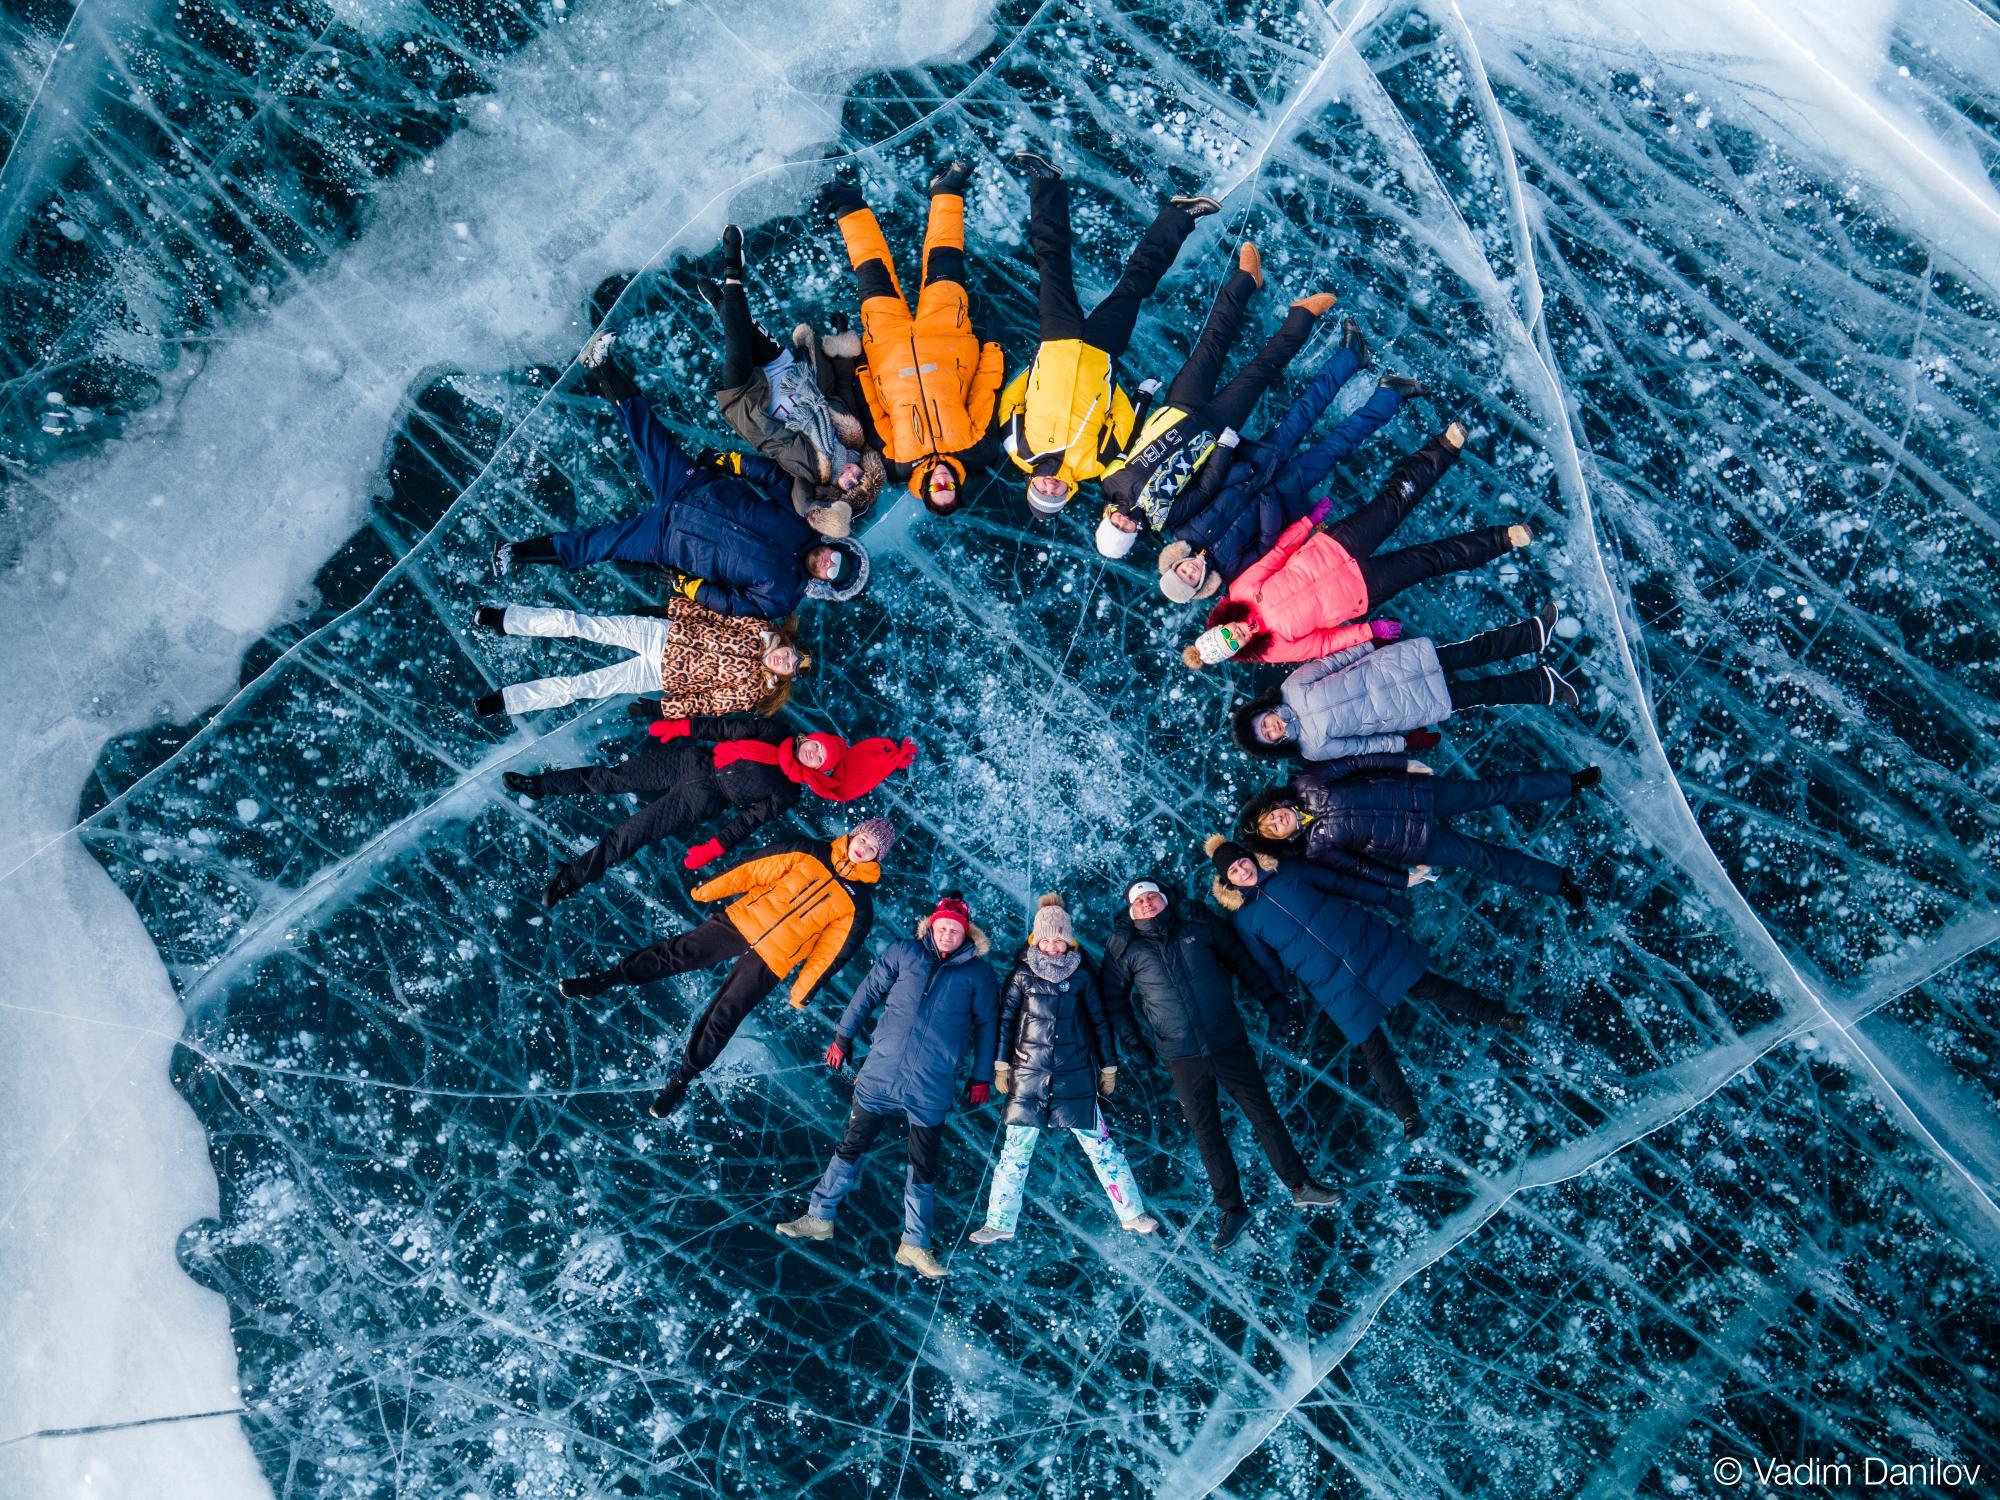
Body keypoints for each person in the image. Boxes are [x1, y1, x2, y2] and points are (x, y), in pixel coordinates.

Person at [488, 332, 868, 616]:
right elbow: (775, 479)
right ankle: (598, 363)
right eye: (836, 558)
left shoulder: (782, 597)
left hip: (672, 542)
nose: (827, 563)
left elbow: (730, 602)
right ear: (836, 546)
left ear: (824, 583)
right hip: (693, 487)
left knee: (598, 545)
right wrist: (731, 463)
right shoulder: (802, 522)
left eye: (832, 572)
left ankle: (513, 552)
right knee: (647, 433)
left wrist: (688, 586)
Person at [557, 817, 893, 1120]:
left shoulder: (859, 904)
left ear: (878, 857)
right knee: (677, 954)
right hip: (741, 921)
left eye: (873, 848)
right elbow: (755, 869)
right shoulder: (808, 851)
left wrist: (803, 990)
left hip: (773, 958)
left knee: (725, 1016)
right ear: (853, 835)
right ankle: (605, 980)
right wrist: (710, 889)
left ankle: (682, 1078)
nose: (863, 849)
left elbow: (831, 952)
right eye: (863, 840)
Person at [1205, 836, 1523, 1142]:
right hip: (1331, 982)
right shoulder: (1244, 920)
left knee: (1433, 987)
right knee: (1371, 1045)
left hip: (1366, 945)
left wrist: (1387, 897)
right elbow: (1268, 965)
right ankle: (1409, 1115)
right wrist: (1276, 1003)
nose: (1242, 871)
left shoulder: (1289, 870)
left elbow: (1341, 883)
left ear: (1250, 857)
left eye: (1242, 862)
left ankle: (1502, 1017)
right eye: (1233, 871)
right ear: (1228, 880)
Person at [1098, 877, 1337, 1252]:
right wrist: (1134, 1045)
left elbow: (1241, 960)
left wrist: (1270, 998)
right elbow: (1113, 999)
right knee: (1207, 1134)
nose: (1147, 904)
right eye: (1139, 901)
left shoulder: (1198, 924)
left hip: (1227, 1041)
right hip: (1181, 1056)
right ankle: (1233, 1210)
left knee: (1264, 1115)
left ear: (1164, 900)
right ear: (1131, 911)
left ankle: (1300, 1186)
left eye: (1152, 898)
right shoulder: (1125, 948)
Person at [776, 892, 1001, 1281]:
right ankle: (819, 1217)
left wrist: (982, 1075)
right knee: (852, 1145)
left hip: (931, 1084)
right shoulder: (904, 953)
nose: (948, 934)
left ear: (966, 934)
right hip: (881, 1073)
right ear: (932, 925)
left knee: (923, 1166)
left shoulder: (979, 975)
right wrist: (843, 1036)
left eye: (955, 930)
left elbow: (988, 1028)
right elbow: (867, 994)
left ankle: (914, 1244)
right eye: (943, 927)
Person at [1181, 425, 1531, 669]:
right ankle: (1504, 538)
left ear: (1220, 625)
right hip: (1361, 591)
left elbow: (1277, 555)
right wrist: (1368, 631)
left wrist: (1307, 523)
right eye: (1233, 644)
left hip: (1334, 545)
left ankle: (1444, 447)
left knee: (1395, 501)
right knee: (1428, 561)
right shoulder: (1273, 650)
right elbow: (1321, 644)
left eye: (1227, 633)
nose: (1237, 635)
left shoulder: (1240, 589)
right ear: (1238, 651)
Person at [996, 152, 1220, 516]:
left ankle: (1045, 179)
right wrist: (1107, 383)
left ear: (1032, 485)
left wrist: (1038, 369)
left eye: (1041, 490)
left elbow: (1010, 403)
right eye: (1055, 494)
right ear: (1065, 494)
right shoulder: (1093, 466)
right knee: (1136, 284)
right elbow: (1121, 422)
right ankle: (1181, 215)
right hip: (1102, 352)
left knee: (1052, 262)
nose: (1049, 486)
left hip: (1057, 341)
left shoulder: (1019, 450)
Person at [1093, 244, 1338, 558]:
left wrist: (1142, 397)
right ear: (1134, 536)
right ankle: (1304, 315)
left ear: (1107, 518)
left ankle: (1247, 277)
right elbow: (1203, 490)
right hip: (1213, 433)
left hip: (1178, 406)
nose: (1123, 523)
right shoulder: (1162, 519)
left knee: (1214, 339)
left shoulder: (1109, 478)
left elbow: (1128, 437)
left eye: (1116, 525)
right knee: (1261, 371)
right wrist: (1223, 449)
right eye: (1125, 532)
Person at [1153, 323, 1426, 602]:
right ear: (1199, 586)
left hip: (1255, 464)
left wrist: (1241, 471)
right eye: (1191, 579)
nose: (1191, 571)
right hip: (1283, 492)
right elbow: (1265, 546)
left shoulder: (1182, 528)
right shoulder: (1231, 570)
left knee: (1304, 410)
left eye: (1183, 571)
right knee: (1339, 444)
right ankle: (1391, 394)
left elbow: (1207, 485)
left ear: (1176, 564)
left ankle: (1351, 355)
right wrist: (1268, 507)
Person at [505, 721, 916, 906]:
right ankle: (539, 786)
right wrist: (682, 728)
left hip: (700, 802)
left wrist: (714, 847)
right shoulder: (776, 733)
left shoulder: (788, 791)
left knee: (627, 836)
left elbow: (747, 821)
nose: (812, 754)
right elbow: (725, 730)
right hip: (691, 764)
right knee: (609, 778)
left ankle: (567, 879)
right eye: (816, 747)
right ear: (813, 739)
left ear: (819, 770)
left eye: (820, 761)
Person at [970, 894, 1159, 1244]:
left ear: (1069, 940)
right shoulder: (1022, 975)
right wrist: (1000, 1065)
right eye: (1046, 938)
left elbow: (1100, 1023)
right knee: (1014, 1153)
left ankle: (1133, 1214)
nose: (1053, 946)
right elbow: (1007, 1020)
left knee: (1102, 1146)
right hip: (1029, 1076)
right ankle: (998, 1222)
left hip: (1075, 1074)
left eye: (1059, 939)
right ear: (1035, 939)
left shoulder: (1084, 975)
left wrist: (1109, 1068)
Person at [820, 162, 1004, 511]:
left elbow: (874, 411)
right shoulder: (977, 448)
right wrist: (993, 347)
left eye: (938, 489)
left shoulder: (897, 463)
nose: (942, 480)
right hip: (947, 333)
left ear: (926, 491)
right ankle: (946, 191)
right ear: (957, 485)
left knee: (871, 270)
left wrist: (859, 365)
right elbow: (986, 391)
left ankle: (847, 201)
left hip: (887, 347)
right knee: (945, 259)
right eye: (950, 486)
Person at [697, 224, 888, 537]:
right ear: (865, 467)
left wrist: (825, 515)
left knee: (736, 337)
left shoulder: (810, 475)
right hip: (785, 368)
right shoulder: (852, 433)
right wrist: (843, 343)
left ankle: (733, 268)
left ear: (840, 492)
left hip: (748, 400)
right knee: (741, 325)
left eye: (849, 486)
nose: (851, 477)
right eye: (859, 476)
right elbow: (843, 386)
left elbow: (802, 505)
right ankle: (722, 301)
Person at [1233, 607, 1580, 762]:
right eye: (1271, 735)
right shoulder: (1313, 748)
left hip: (1392, 668)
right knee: (1484, 693)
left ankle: (1533, 633)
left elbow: (1334, 661)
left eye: (1266, 723)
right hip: (1404, 709)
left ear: (1263, 712)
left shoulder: (1293, 687)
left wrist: (1372, 643)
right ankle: (1545, 687)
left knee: (1475, 650)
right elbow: (1362, 747)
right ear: (1275, 744)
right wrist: (1404, 741)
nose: (1274, 727)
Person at [1239, 760, 1602, 906]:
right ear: (1278, 839)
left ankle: (1569, 782)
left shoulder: (1308, 782)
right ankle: (1558, 882)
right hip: (1416, 843)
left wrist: (1402, 763)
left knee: (1493, 790)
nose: (1276, 821)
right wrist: (1402, 880)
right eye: (1271, 830)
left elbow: (1358, 762)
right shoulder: (1316, 847)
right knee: (1483, 860)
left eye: (1270, 816)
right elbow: (1360, 868)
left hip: (1417, 793)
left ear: (1274, 806)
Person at [467, 595, 806, 718]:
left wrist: (662, 708)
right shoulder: (757, 629)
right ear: (788, 643)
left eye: (791, 667)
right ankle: (504, 619)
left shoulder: (751, 692)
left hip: (659, 676)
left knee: (583, 687)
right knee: (580, 624)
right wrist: (669, 609)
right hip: (662, 634)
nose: (785, 661)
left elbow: (706, 703)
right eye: (792, 654)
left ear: (787, 678)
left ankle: (506, 702)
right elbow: (715, 615)